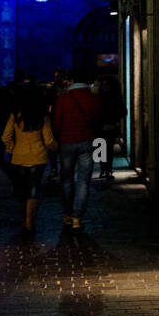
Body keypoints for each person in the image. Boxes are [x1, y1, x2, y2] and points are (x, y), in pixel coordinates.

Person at [1, 84, 57, 236]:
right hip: (38, 157)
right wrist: (56, 149)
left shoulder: (15, 116)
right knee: (34, 190)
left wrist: (12, 149)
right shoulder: (42, 116)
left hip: (19, 157)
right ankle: (30, 223)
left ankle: (23, 220)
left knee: (22, 191)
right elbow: (49, 140)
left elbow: (5, 136)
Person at [53, 68, 100, 228]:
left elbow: (57, 123)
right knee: (83, 181)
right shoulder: (93, 98)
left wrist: (58, 140)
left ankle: (67, 213)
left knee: (66, 180)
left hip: (66, 142)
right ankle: (77, 218)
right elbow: (98, 119)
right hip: (87, 142)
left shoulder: (63, 99)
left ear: (71, 80)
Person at [96, 74, 127, 181]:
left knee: (107, 149)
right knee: (100, 149)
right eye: (103, 84)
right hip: (100, 127)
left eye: (107, 84)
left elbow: (123, 111)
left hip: (109, 127)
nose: (105, 86)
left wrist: (115, 120)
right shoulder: (98, 96)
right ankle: (103, 168)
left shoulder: (114, 97)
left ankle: (107, 169)